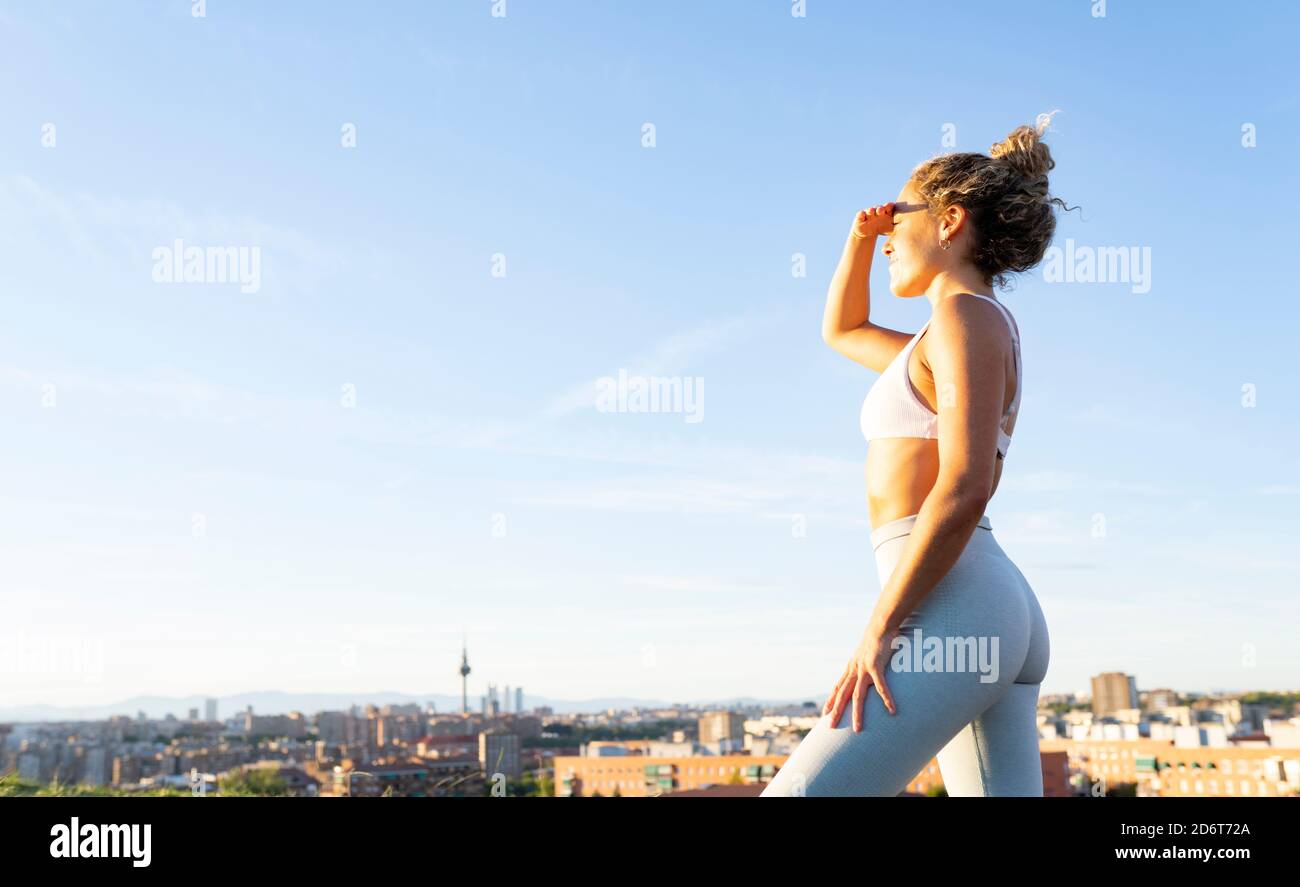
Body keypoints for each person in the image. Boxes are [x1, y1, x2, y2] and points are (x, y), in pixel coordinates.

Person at [760, 115, 1070, 797]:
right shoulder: (945, 332)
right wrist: (860, 239)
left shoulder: (966, 317)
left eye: (900, 217)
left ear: (950, 220)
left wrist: (881, 626)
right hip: (979, 599)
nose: (890, 234)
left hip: (958, 602)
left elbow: (964, 485)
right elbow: (841, 329)